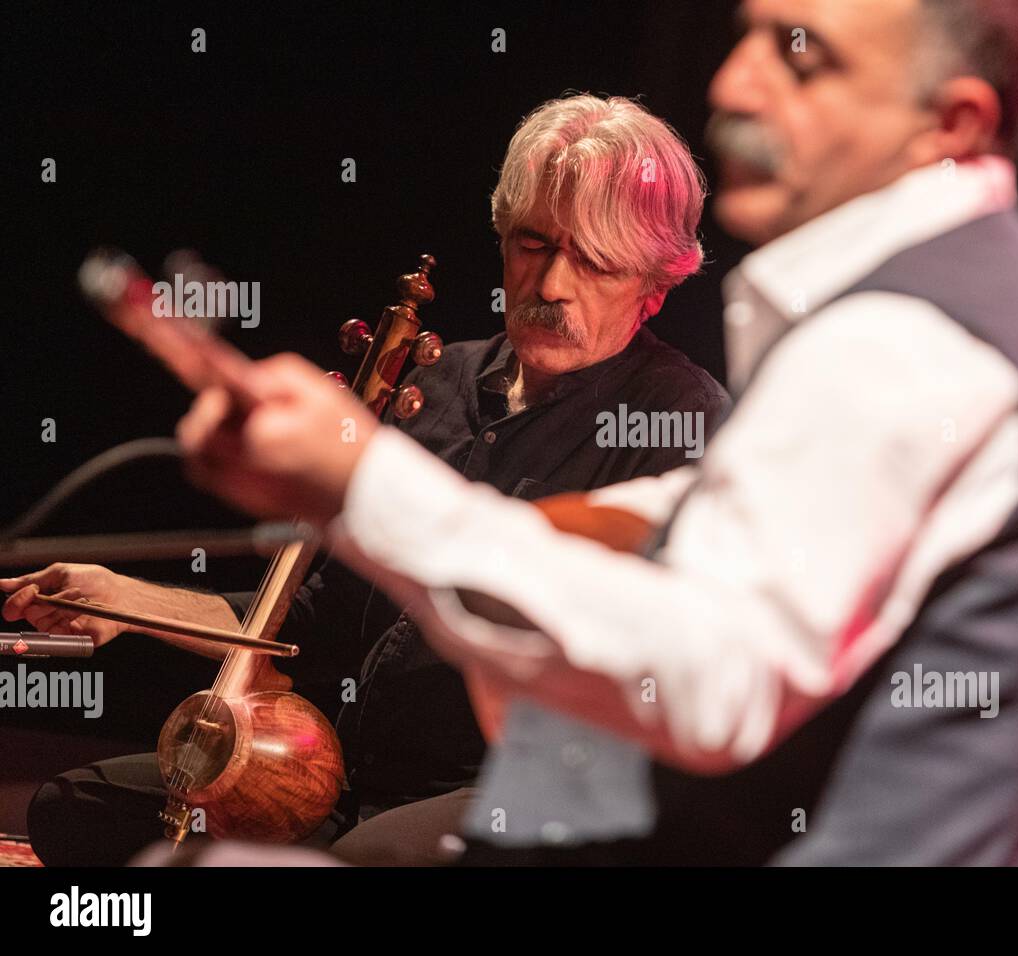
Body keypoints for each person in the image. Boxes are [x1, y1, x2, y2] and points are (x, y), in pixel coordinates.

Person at [117, 0, 1018, 866]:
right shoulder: (974, 310)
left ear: (953, 122)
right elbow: (707, 527)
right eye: (752, 34)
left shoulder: (903, 339)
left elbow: (711, 683)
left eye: (804, 56)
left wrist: (360, 483)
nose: (735, 85)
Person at [2, 94, 729, 866]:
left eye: (594, 261)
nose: (550, 286)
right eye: (532, 245)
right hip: (343, 778)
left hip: (512, 789)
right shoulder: (438, 379)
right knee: (77, 809)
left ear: (659, 280)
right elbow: (311, 618)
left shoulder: (680, 419)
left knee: (367, 860)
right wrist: (127, 602)